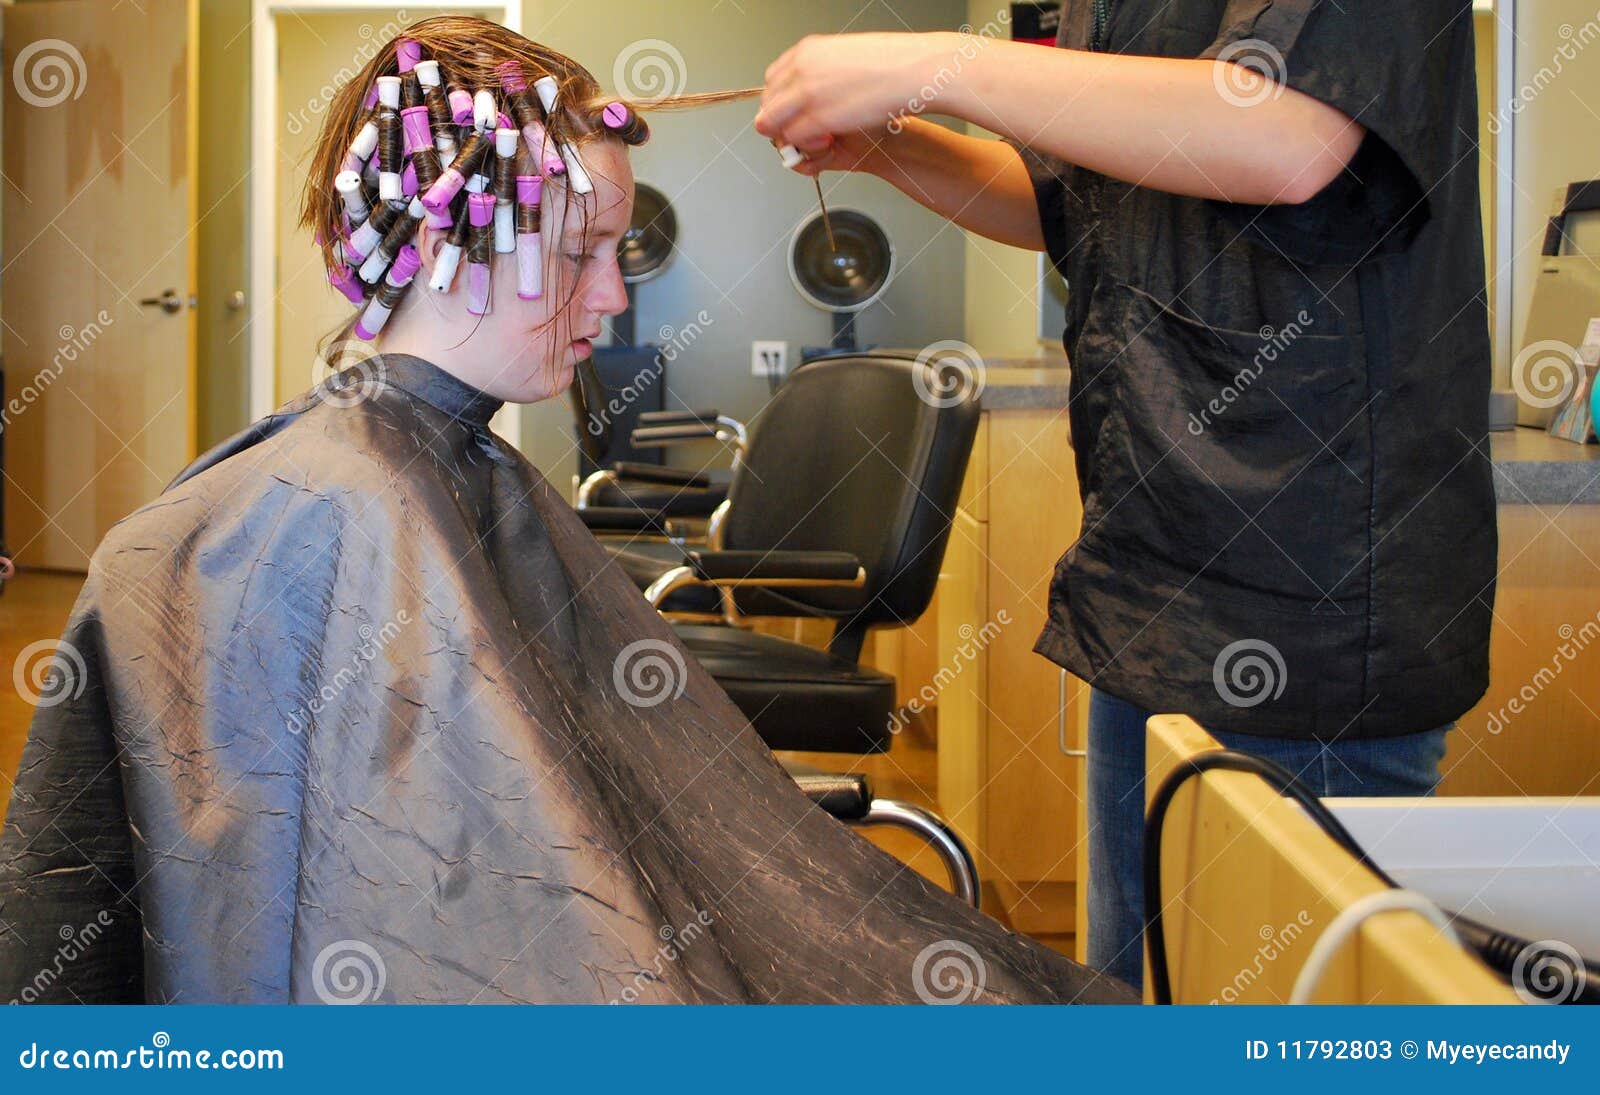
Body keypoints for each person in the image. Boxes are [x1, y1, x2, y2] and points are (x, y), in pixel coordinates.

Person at [0, 17, 1133, 1006]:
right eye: (584, 250)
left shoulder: (389, 472)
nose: (616, 294)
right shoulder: (336, 511)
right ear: (445, 239)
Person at [757, 1, 1497, 990]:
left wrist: (929, 64)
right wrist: (889, 146)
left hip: (1307, 587)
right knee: (1135, 996)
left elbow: (1283, 131)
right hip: (1152, 570)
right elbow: (1062, 197)